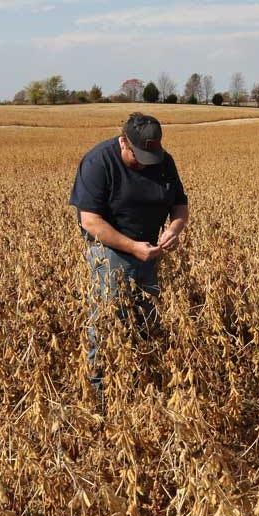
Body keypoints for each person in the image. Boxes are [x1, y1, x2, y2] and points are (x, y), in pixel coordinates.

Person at [69, 113, 189, 397]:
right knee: (109, 322)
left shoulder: (163, 161)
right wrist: (133, 247)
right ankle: (101, 395)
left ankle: (138, 387)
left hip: (150, 251)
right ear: (123, 141)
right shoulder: (98, 162)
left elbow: (180, 207)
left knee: (146, 320)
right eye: (138, 156)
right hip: (109, 252)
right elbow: (90, 221)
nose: (144, 163)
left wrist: (174, 229)